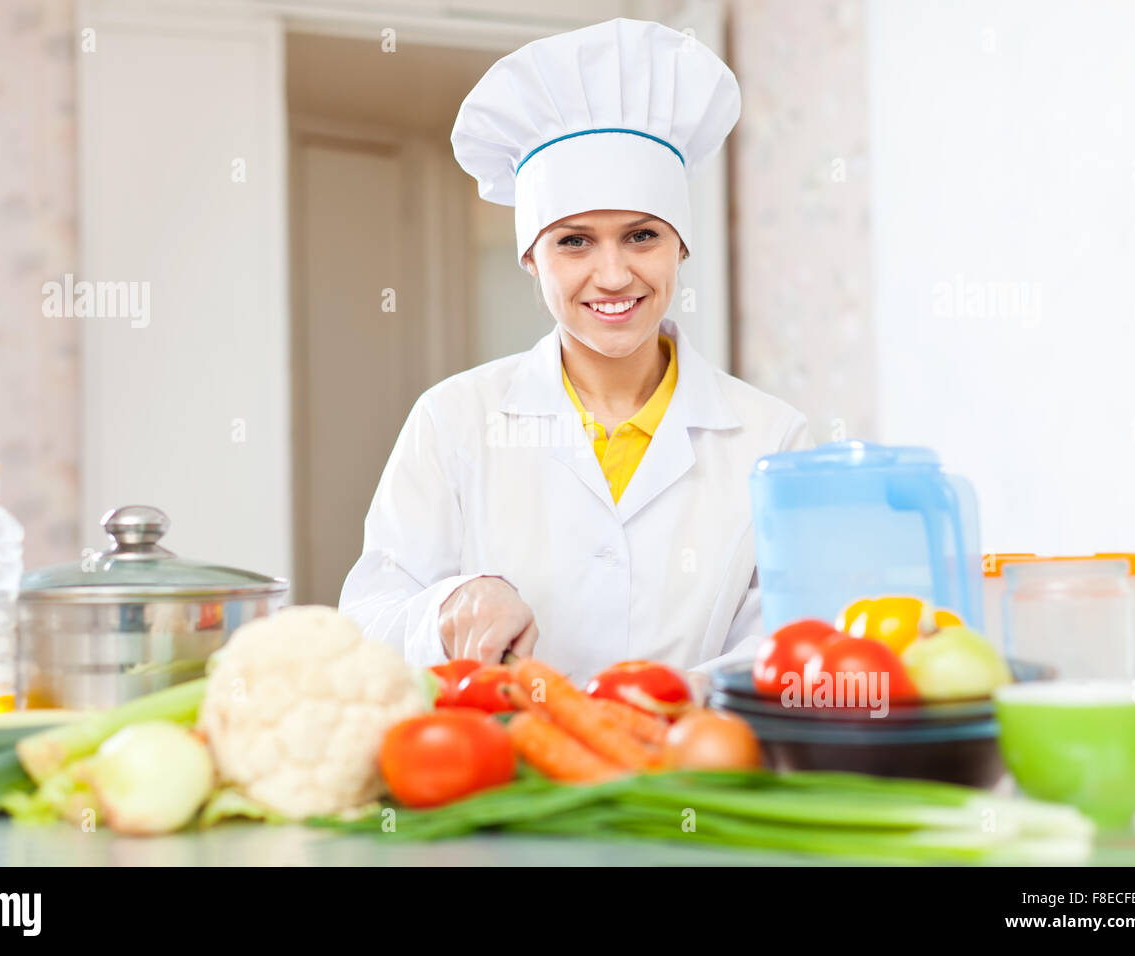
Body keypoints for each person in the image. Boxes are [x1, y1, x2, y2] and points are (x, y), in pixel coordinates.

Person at [339, 17, 815, 685]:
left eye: (642, 235)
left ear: (681, 245)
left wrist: (676, 700)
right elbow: (367, 618)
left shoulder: (772, 439)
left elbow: (789, 638)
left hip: (690, 772)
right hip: (502, 775)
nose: (614, 275)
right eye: (574, 241)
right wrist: (449, 608)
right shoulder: (451, 420)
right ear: (531, 259)